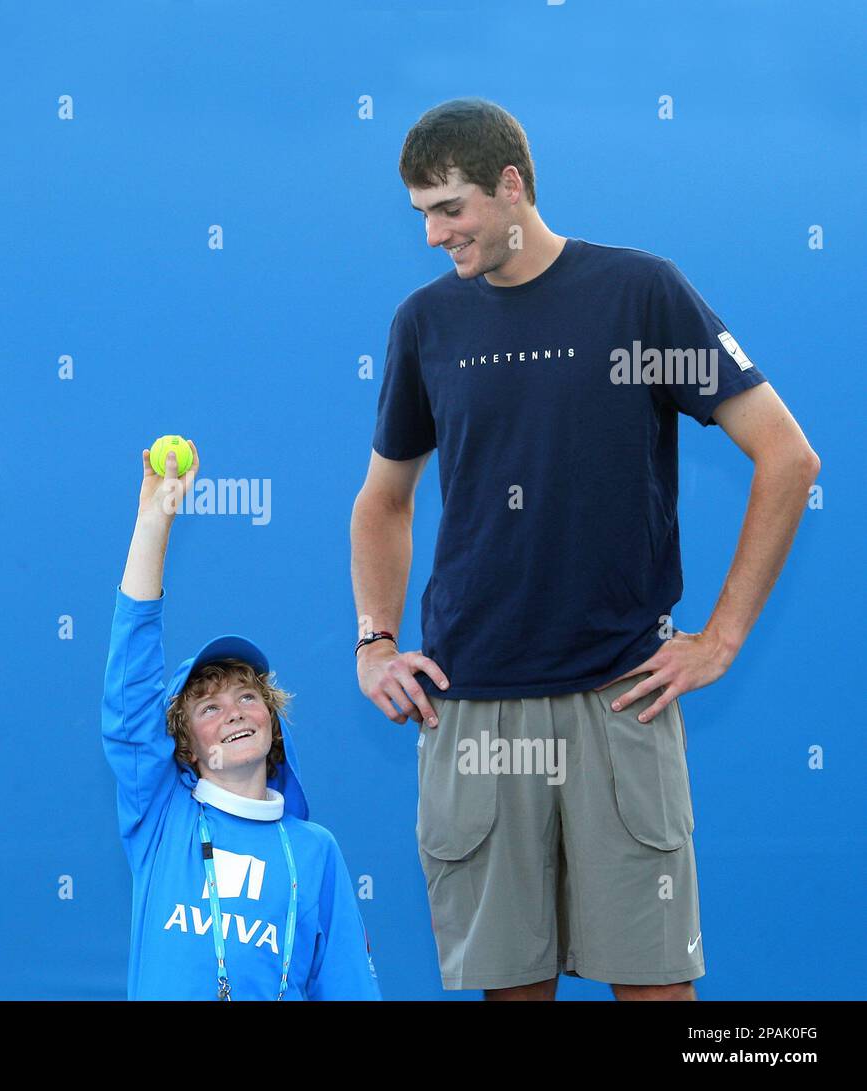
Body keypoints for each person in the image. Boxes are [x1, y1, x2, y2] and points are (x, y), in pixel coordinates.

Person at [350, 98, 820, 1001]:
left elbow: (788, 457)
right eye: (421, 215)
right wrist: (375, 639)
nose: (434, 234)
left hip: (621, 703)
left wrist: (720, 638)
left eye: (450, 208)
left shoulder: (640, 295)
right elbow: (383, 501)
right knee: (510, 992)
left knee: (655, 992)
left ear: (512, 186)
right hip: (472, 708)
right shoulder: (426, 324)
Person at [103, 441, 381, 1000]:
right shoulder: (161, 818)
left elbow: (347, 984)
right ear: (185, 747)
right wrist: (155, 516)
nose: (233, 712)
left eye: (247, 698)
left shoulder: (315, 849)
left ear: (274, 724)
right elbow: (131, 685)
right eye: (207, 707)